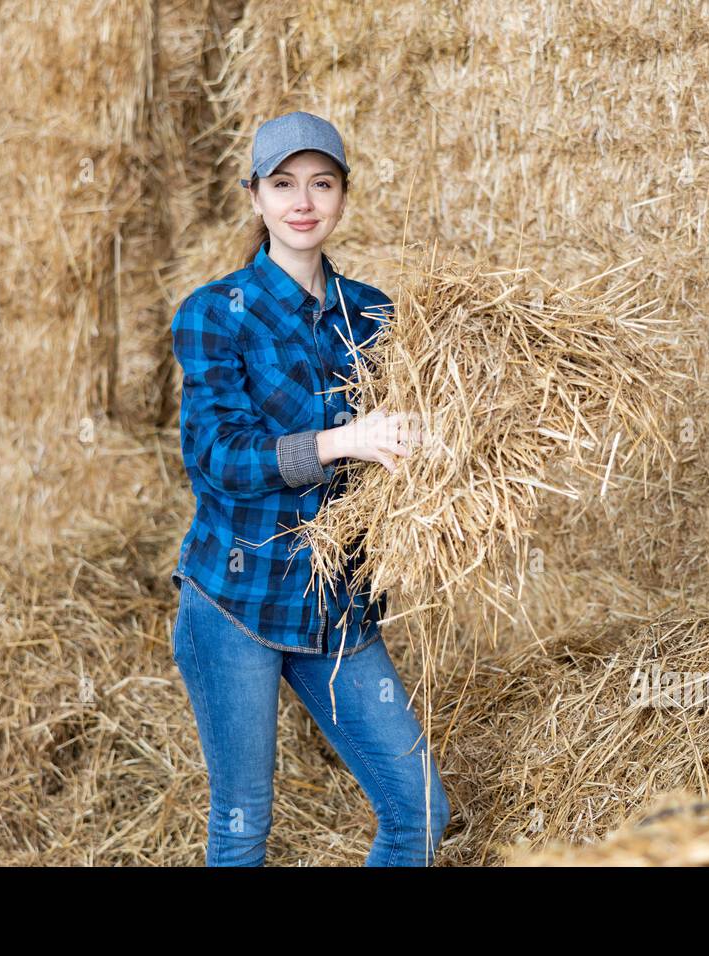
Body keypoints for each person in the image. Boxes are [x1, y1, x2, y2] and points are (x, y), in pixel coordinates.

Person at [169, 111, 450, 866]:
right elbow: (218, 459)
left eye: (321, 184)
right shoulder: (212, 314)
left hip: (336, 605)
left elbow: (406, 439)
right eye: (283, 184)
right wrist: (343, 441)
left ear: (343, 196)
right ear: (254, 196)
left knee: (419, 810)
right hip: (238, 602)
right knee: (241, 827)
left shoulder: (375, 313)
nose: (303, 201)